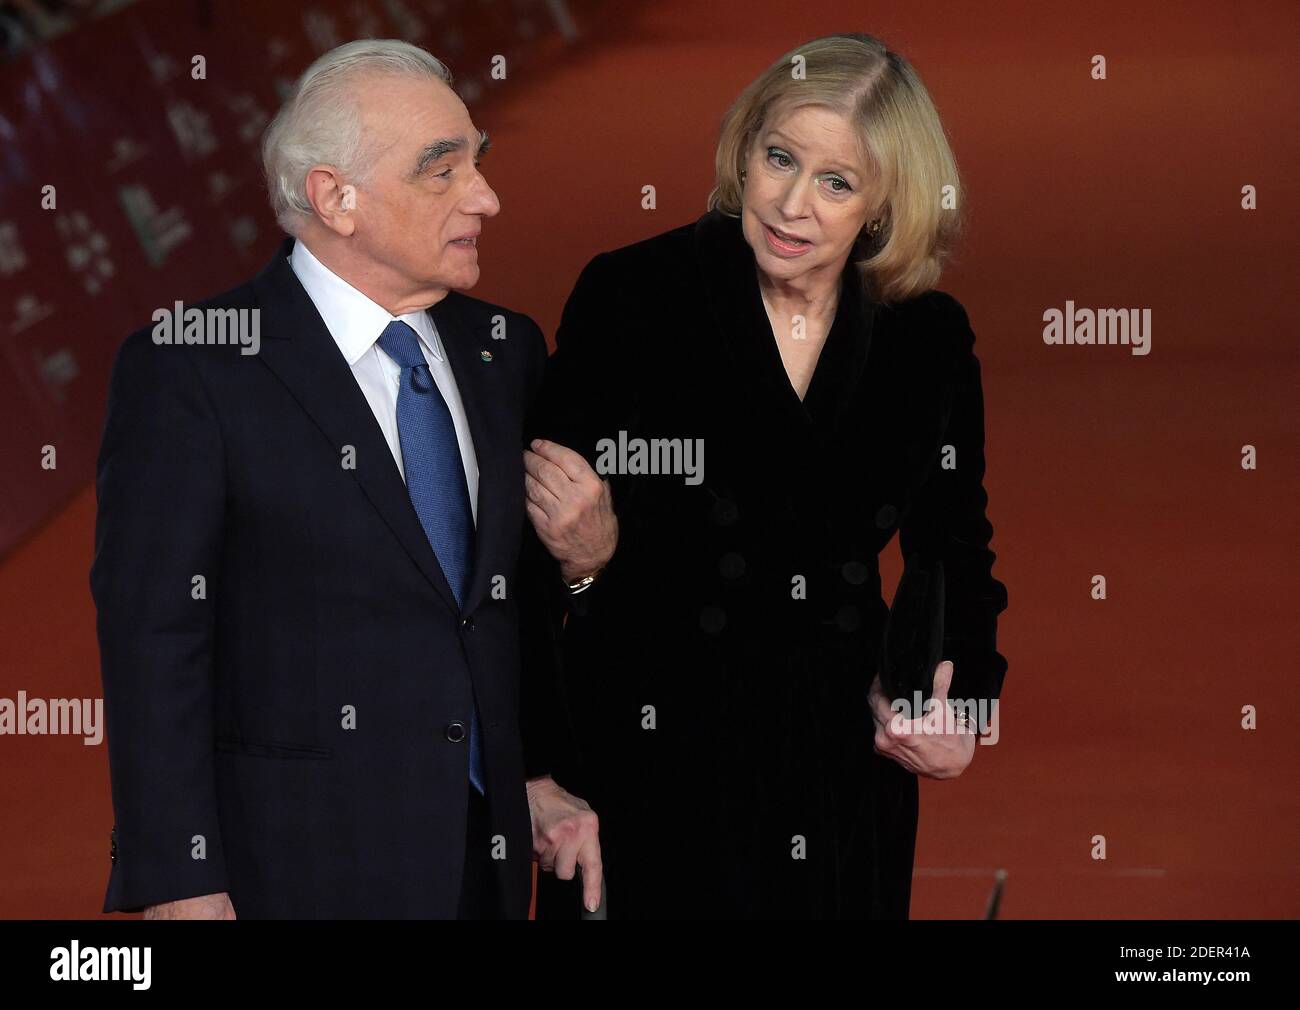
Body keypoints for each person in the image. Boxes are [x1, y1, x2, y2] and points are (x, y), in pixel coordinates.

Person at [92, 39, 597, 920]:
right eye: (442, 172)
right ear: (336, 198)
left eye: (478, 161)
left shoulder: (504, 351)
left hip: (479, 860)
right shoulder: (194, 370)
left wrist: (530, 773)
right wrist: (178, 876)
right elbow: (153, 641)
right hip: (293, 868)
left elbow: (497, 610)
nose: (485, 196)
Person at [521, 33, 1009, 919]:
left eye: (837, 182)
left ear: (884, 204)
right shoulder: (634, 296)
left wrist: (961, 700)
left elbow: (957, 542)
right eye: (778, 158)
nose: (791, 205)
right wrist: (537, 771)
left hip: (833, 768)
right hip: (649, 754)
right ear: (742, 149)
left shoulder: (926, 336)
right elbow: (531, 550)